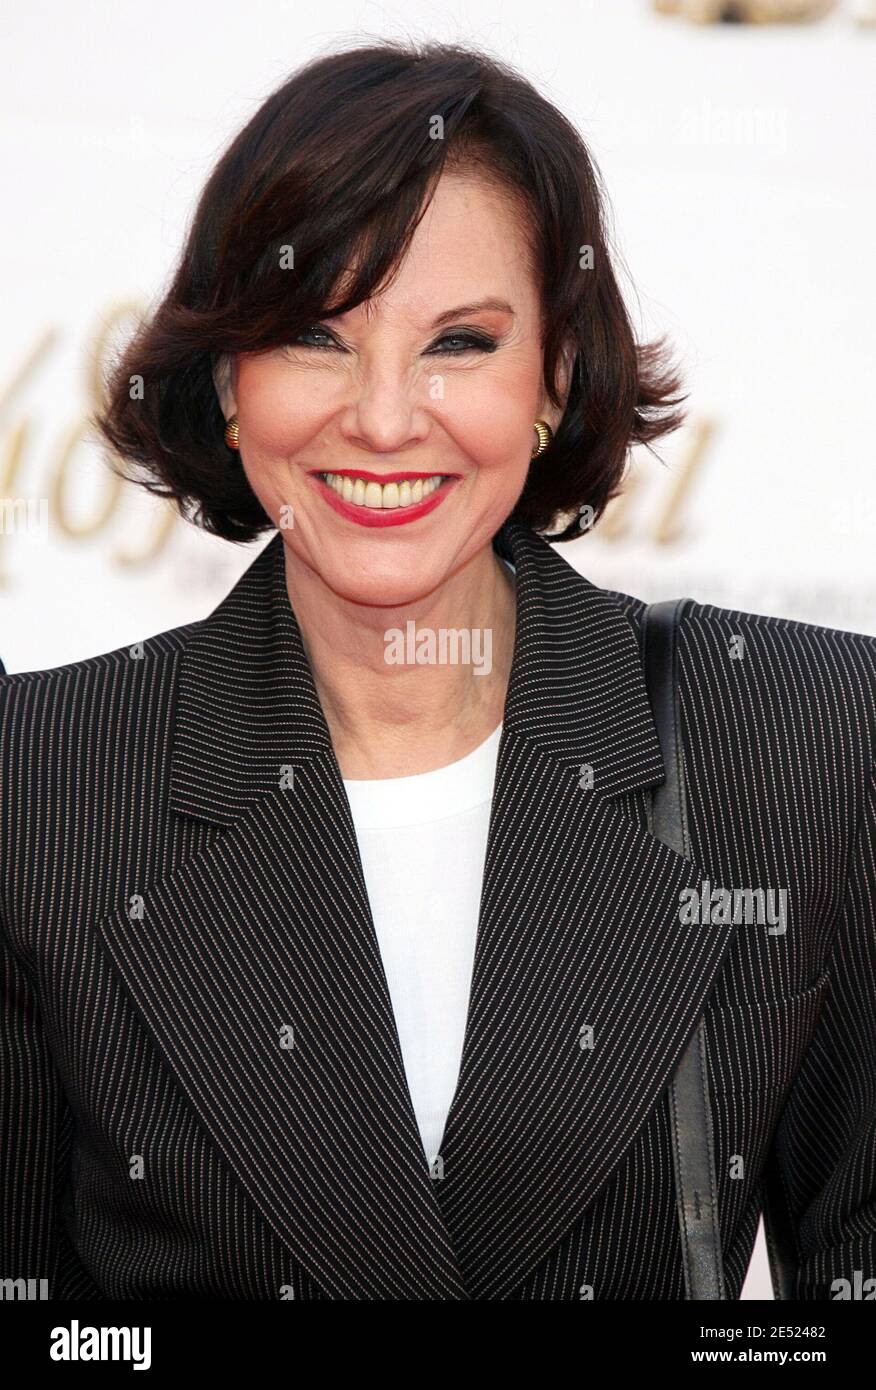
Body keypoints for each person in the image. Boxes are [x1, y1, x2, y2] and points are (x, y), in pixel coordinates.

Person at [1, 40, 873, 1301]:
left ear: (554, 379)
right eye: (316, 336)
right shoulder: (41, 779)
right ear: (230, 382)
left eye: (459, 341)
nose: (388, 418)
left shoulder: (799, 736)